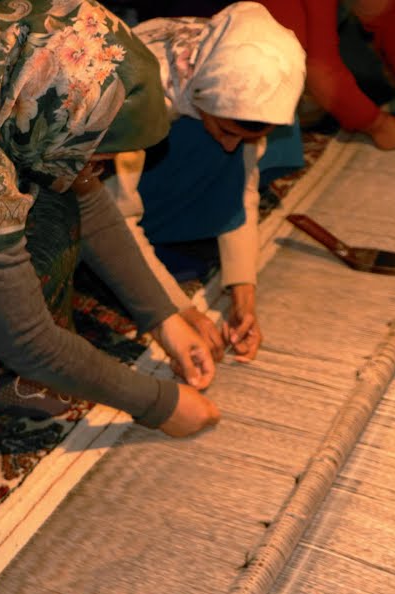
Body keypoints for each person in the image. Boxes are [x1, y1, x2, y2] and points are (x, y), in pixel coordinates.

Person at [0, 0, 221, 437]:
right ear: (71, 119)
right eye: (99, 151)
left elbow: (89, 202)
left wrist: (163, 318)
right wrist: (158, 404)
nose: (103, 167)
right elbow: (27, 339)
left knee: (59, 193)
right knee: (47, 221)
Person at [101, 2, 307, 363]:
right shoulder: (139, 97)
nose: (231, 143)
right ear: (201, 95)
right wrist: (178, 310)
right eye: (227, 129)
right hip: (107, 156)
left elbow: (241, 189)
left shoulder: (232, 71)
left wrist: (243, 294)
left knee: (247, 149)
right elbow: (114, 219)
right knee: (207, 147)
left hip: (185, 119)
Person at [263, 0, 395, 150]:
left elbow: (383, 12)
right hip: (259, 58)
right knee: (269, 141)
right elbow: (320, 72)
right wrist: (376, 125)